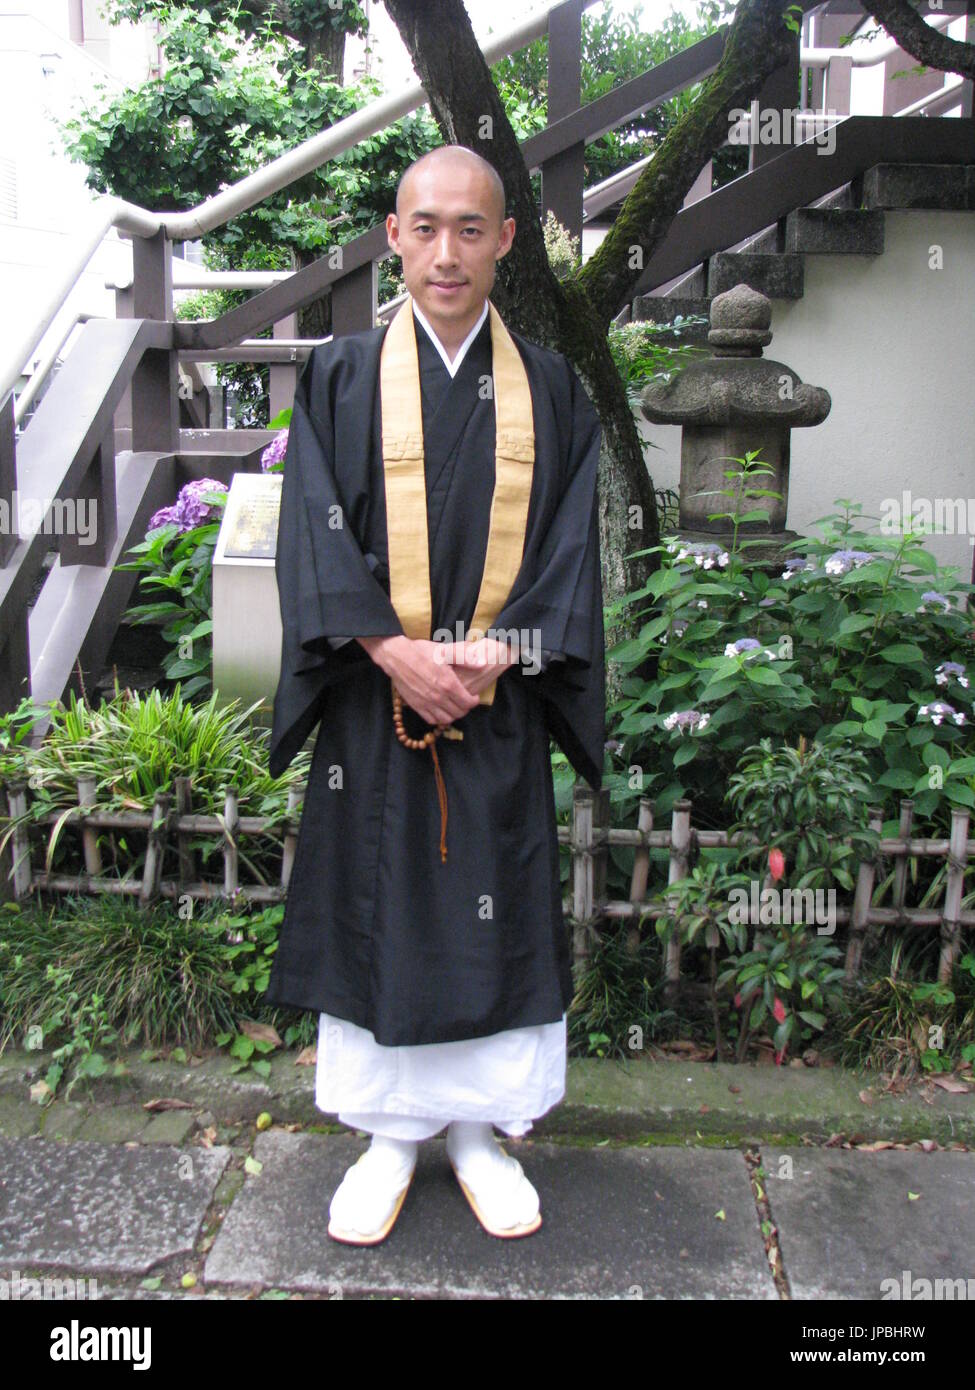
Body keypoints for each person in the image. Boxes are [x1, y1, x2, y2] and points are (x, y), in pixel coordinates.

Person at [264, 143, 605, 1244]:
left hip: (497, 702)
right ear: (395, 237)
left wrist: (503, 653)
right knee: (381, 905)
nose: (446, 251)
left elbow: (568, 551)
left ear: (508, 239)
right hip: (378, 707)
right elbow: (311, 524)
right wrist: (388, 646)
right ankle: (387, 1136)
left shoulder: (552, 387)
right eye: (425, 227)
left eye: (472, 227)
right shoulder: (339, 375)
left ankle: (475, 1132)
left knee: (489, 910)